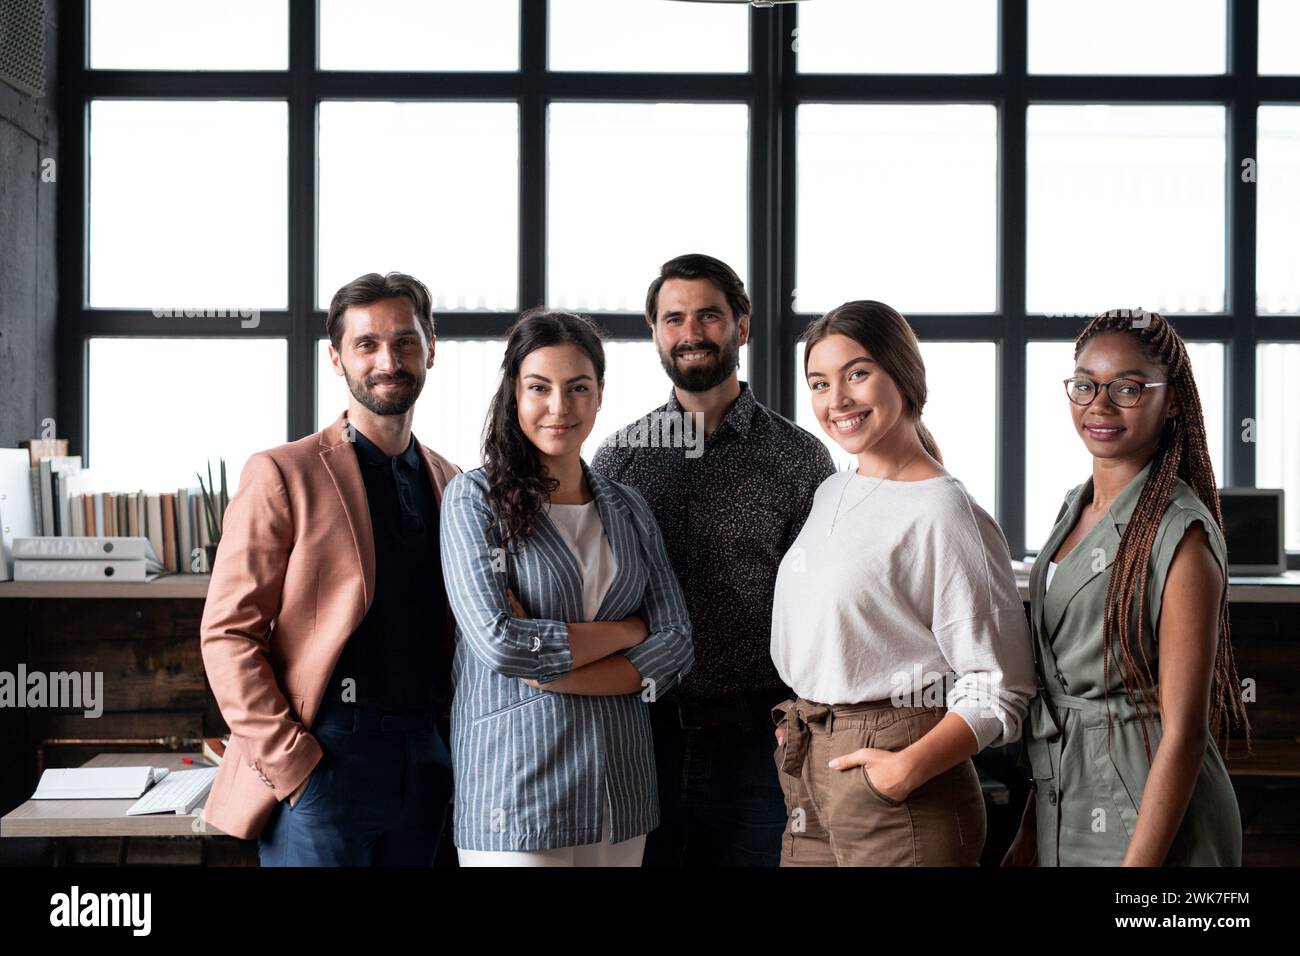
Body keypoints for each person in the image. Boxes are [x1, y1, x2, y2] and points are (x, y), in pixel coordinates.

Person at [200, 271, 458, 866]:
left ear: (431, 349)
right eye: (366, 344)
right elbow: (227, 634)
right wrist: (293, 764)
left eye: (405, 341)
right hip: (325, 758)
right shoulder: (281, 473)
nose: (387, 359)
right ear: (336, 359)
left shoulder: (453, 481)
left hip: (427, 759)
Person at [769, 300, 1035, 866]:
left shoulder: (945, 511)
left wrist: (902, 771)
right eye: (819, 382)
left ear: (905, 377)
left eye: (857, 374)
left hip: (898, 786)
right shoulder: (831, 491)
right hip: (811, 771)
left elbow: (1001, 684)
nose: (836, 400)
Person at [591, 253, 836, 866]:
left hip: (761, 739)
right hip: (640, 736)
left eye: (709, 316)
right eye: (673, 318)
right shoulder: (620, 458)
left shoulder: (800, 459)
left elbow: (822, 608)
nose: (691, 333)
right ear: (655, 332)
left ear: (742, 326)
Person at [441, 309, 693, 866]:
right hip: (518, 788)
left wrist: (556, 672)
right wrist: (627, 630)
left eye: (578, 388)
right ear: (514, 394)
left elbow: (676, 640)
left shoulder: (628, 506)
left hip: (620, 787)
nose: (560, 407)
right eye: (540, 388)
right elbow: (501, 643)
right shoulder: (472, 499)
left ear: (600, 394)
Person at [1004, 309, 1249, 867]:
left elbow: (1185, 731)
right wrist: (1032, 830)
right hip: (1065, 799)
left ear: (1175, 401)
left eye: (1128, 388)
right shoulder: (1076, 506)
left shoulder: (1178, 533)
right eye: (1085, 384)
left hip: (1146, 813)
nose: (1100, 405)